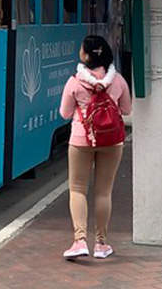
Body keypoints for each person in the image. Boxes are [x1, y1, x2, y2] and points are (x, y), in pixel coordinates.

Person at [58, 35, 131, 260]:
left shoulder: (75, 82)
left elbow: (65, 113)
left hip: (81, 140)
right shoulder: (117, 80)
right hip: (112, 142)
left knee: (78, 189)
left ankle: (80, 241)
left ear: (86, 55)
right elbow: (126, 110)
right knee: (103, 192)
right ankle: (101, 244)